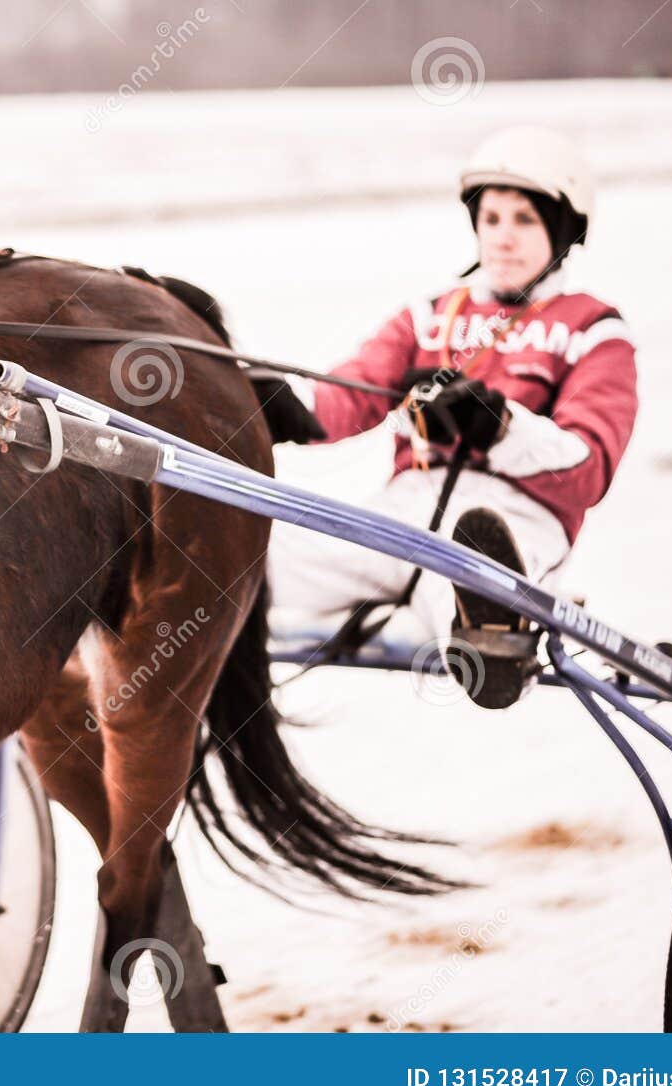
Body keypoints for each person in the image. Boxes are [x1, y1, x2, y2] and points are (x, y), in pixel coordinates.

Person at [268, 125, 638, 708]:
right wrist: (264, 405)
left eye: (524, 220)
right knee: (256, 560)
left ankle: (492, 630)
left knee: (463, 587)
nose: (503, 239)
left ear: (563, 231)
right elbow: (349, 395)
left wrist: (497, 427)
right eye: (491, 220)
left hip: (511, 523)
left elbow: (587, 469)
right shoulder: (429, 315)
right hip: (401, 518)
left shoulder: (592, 330)